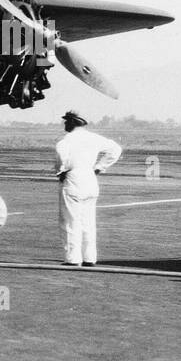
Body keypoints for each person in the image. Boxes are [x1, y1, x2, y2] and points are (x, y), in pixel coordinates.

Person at [54, 110, 122, 266]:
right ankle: (89, 258)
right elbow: (115, 149)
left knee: (71, 221)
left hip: (73, 178)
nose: (65, 124)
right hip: (90, 178)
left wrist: (60, 171)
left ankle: (72, 259)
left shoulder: (66, 140)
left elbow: (60, 156)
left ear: (72, 123)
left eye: (67, 121)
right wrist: (99, 167)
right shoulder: (95, 138)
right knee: (88, 221)